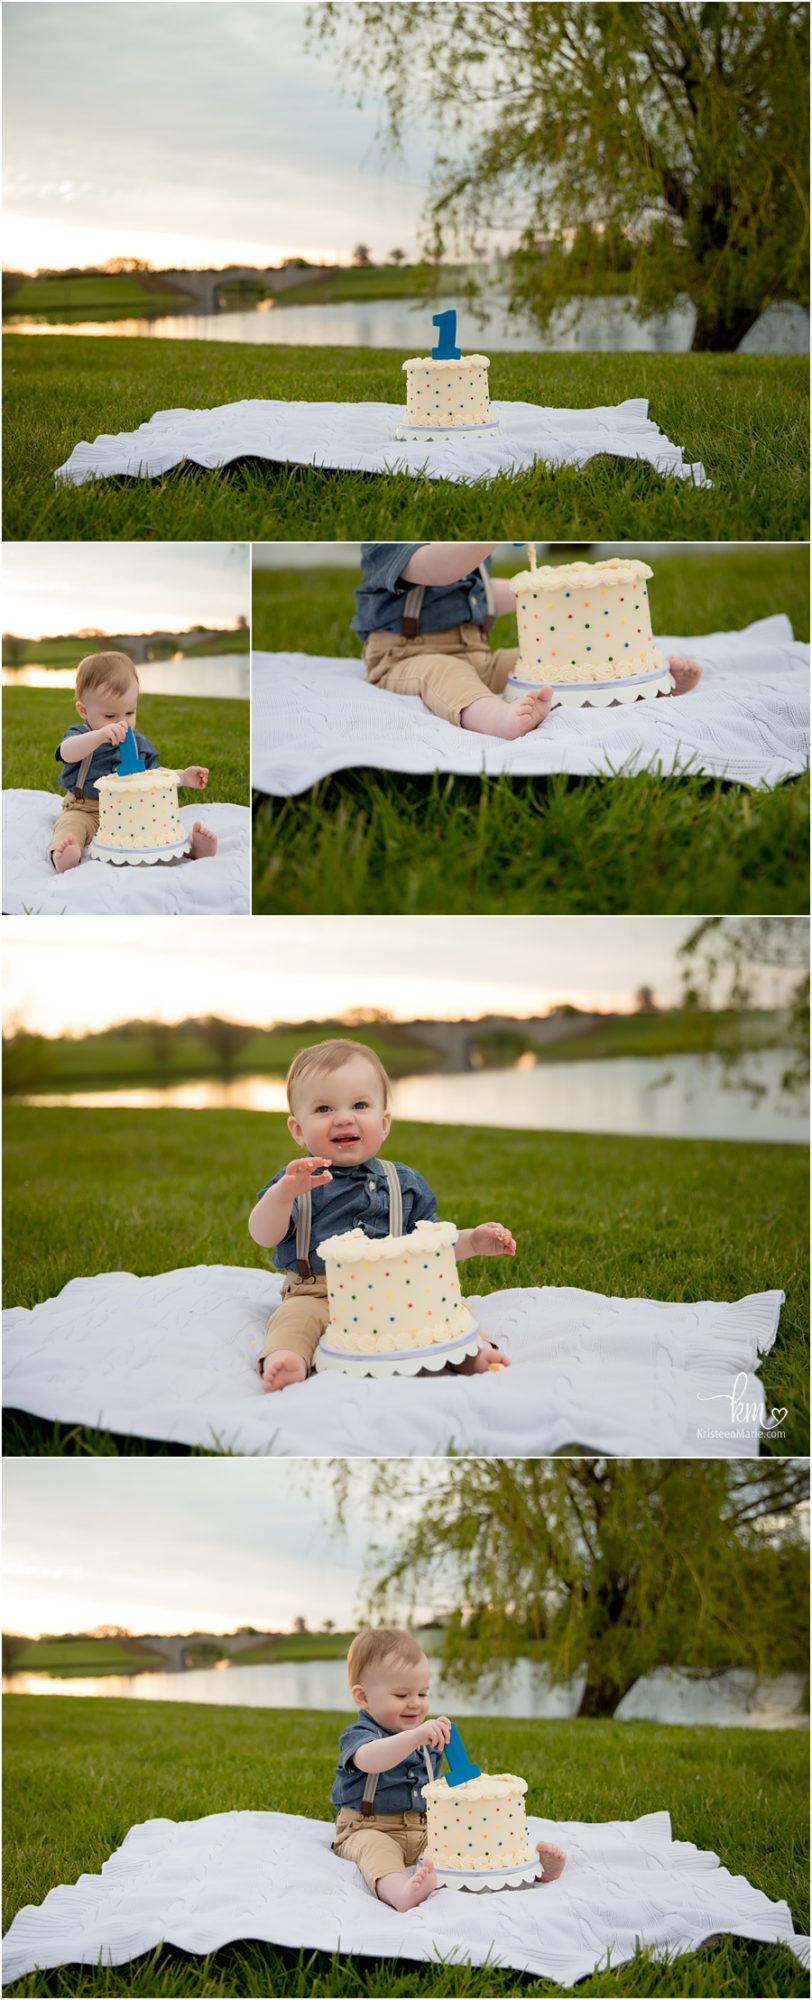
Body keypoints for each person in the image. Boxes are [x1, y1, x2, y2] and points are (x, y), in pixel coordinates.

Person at [249, 1038, 516, 1391]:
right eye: (324, 1109)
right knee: (293, 1320)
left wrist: (474, 1240)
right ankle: (289, 1359)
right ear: (298, 1130)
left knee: (447, 1308)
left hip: (395, 1289)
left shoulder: (403, 1183)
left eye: (360, 1105)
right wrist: (282, 1196)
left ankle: (474, 1352)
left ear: (384, 1122)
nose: (344, 1118)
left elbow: (432, 1245)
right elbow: (263, 1234)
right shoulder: (298, 1181)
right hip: (316, 1292)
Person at [51, 650, 217, 872]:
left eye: (129, 713)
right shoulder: (81, 736)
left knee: (156, 833)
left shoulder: (137, 741)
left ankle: (193, 848)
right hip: (86, 809)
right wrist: (99, 735)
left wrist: (183, 776)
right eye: (110, 716)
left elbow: (153, 776)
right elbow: (67, 752)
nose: (123, 723)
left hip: (130, 811)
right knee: (70, 828)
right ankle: (66, 854)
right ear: (84, 710)